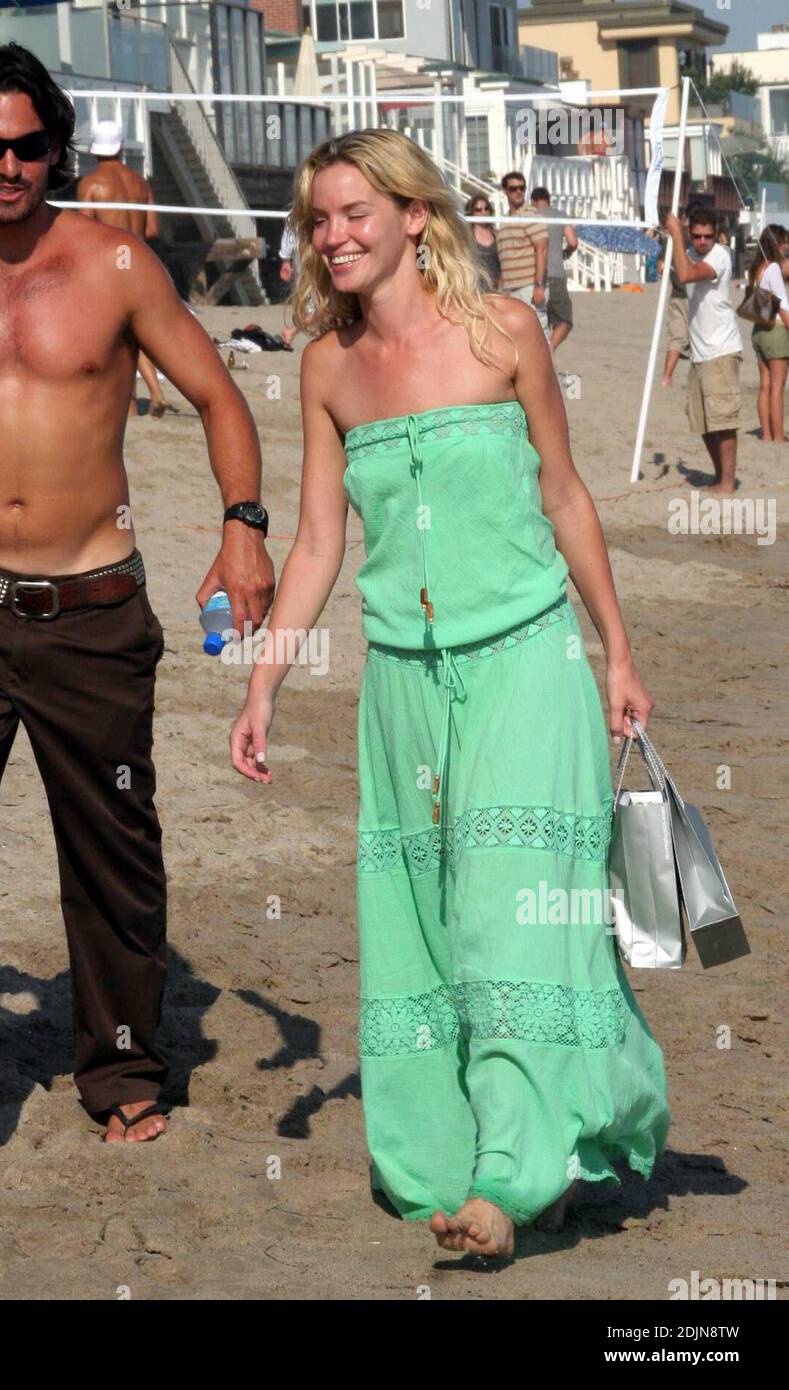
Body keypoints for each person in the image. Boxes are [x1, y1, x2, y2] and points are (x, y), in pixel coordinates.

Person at [229, 129, 669, 1260]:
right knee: (420, 922)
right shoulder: (326, 364)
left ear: (414, 215)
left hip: (526, 660)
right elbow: (322, 543)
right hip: (403, 686)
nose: (333, 235)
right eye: (318, 219)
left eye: (354, 212)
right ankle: (453, 1155)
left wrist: (616, 650)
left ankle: (512, 1181)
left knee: (509, 912)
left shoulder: (502, 331)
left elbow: (565, 497)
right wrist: (264, 683)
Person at [0, 43, 274, 1153]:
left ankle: (123, 1061)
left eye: (31, 144)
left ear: (55, 148)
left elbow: (221, 396)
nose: (10, 163)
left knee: (111, 845)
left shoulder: (115, 271)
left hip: (94, 610)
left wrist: (242, 526)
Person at [76, 118, 170, 418]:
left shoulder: (90, 184)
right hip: (140, 262)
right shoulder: (141, 183)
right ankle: (143, 397)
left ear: (95, 151)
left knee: (120, 335)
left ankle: (141, 399)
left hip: (110, 266)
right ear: (120, 149)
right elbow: (153, 229)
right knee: (132, 332)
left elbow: (86, 231)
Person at [663, 205, 742, 494]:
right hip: (699, 350)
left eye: (706, 236)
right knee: (704, 421)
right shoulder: (692, 254)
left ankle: (728, 482)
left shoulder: (720, 256)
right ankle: (720, 476)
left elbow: (685, 275)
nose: (701, 242)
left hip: (721, 348)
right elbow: (676, 275)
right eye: (696, 236)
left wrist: (676, 235)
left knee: (723, 420)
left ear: (715, 235)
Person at [746, 223, 789, 442]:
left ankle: (766, 434)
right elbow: (783, 305)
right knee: (778, 386)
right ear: (776, 244)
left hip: (759, 330)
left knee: (765, 385)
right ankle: (779, 436)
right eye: (784, 242)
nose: (787, 246)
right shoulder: (773, 269)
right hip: (776, 330)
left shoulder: (757, 268)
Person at [495, 170, 549, 335]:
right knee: (514, 336)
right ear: (505, 190)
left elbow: (542, 248)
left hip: (528, 287)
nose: (518, 192)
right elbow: (505, 259)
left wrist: (539, 286)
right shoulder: (504, 220)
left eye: (522, 188)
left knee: (538, 334)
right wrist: (501, 288)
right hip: (510, 289)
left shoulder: (530, 214)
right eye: (513, 189)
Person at [529, 185, 577, 353]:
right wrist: (565, 253)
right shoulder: (559, 215)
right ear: (548, 200)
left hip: (534, 276)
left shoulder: (531, 216)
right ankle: (551, 348)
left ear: (533, 201)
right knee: (564, 320)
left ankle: (543, 351)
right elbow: (573, 242)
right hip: (556, 274)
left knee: (538, 322)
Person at [660, 216, 691, 388]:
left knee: (680, 338)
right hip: (681, 295)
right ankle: (666, 377)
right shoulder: (671, 241)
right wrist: (663, 266)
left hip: (692, 297)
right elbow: (660, 262)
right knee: (677, 337)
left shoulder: (696, 239)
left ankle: (667, 377)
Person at [464, 193, 500, 291]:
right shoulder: (466, 238)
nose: (483, 212)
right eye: (478, 210)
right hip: (474, 289)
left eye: (486, 208)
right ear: (472, 213)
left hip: (496, 289)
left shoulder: (497, 235)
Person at [278, 216, 301, 349]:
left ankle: (292, 331)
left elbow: (289, 233)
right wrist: (286, 260)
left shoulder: (294, 213)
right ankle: (291, 331)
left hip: (303, 254)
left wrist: (286, 260)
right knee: (321, 304)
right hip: (306, 255)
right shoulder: (295, 213)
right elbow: (290, 232)